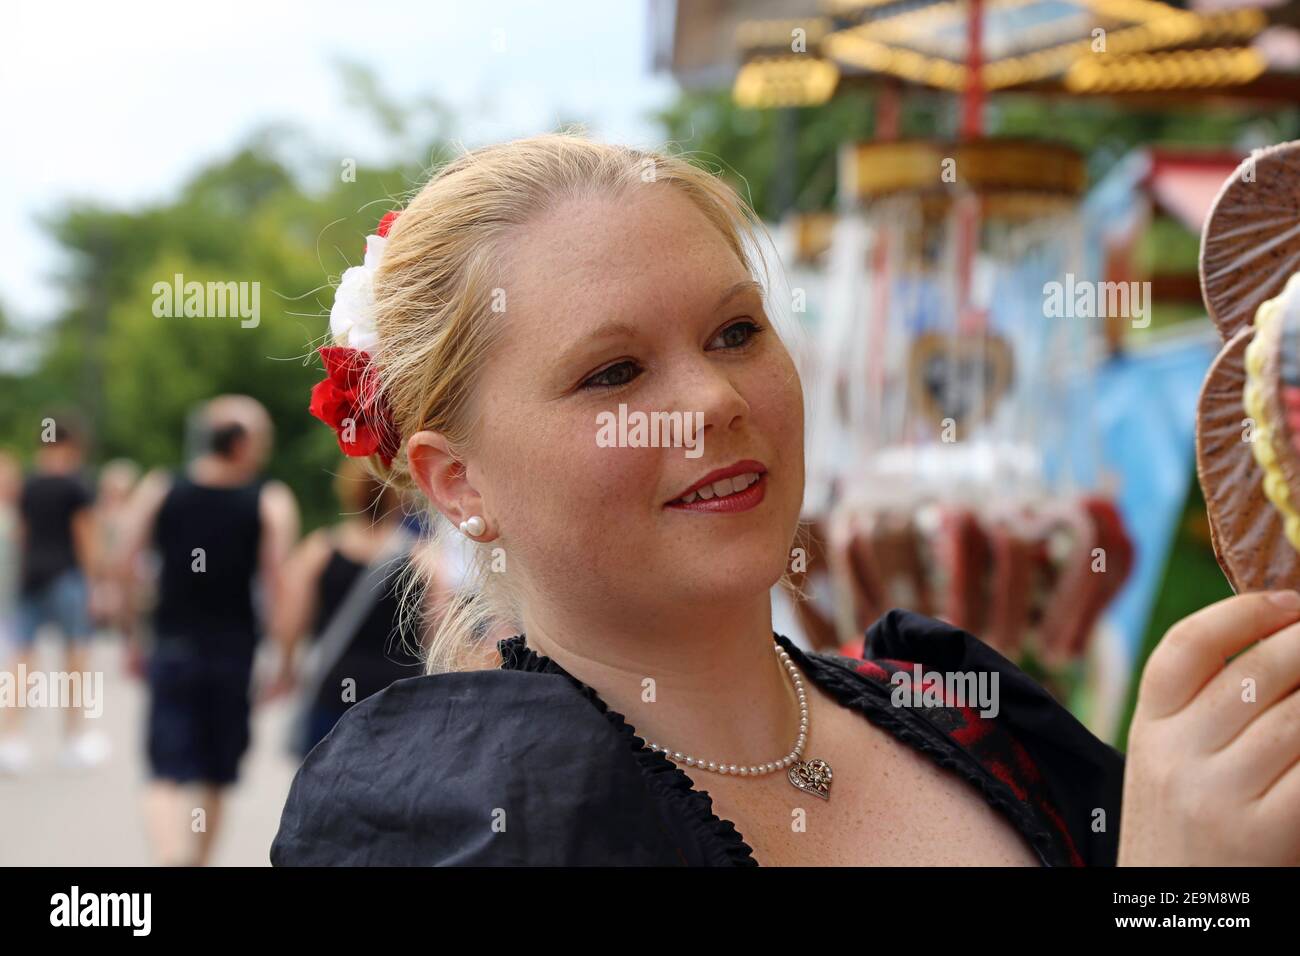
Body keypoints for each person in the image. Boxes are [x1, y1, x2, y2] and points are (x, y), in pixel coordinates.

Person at [272, 133, 1300, 866]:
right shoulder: (456, 822)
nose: (716, 399)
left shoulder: (961, 711)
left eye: (735, 333)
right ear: (459, 481)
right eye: (615, 372)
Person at [116, 395, 298, 866]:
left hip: (172, 643)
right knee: (218, 772)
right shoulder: (269, 501)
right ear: (239, 443)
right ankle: (193, 859)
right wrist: (284, 657)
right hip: (233, 650)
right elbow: (279, 583)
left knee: (165, 769)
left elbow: (124, 562)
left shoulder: (160, 488)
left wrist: (130, 637)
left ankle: (169, 854)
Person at [266, 457, 430, 758]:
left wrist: (286, 669)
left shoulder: (320, 551)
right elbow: (436, 628)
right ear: (398, 496)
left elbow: (290, 621)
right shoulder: (423, 559)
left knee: (327, 782)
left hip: (334, 686)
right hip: (399, 690)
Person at [0, 416, 104, 773]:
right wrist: (95, 584)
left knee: (22, 660)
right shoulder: (76, 486)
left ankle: (10, 739)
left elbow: (20, 535)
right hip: (67, 576)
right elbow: (86, 538)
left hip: (31, 576)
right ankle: (75, 739)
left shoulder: (28, 485)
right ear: (73, 446)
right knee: (75, 658)